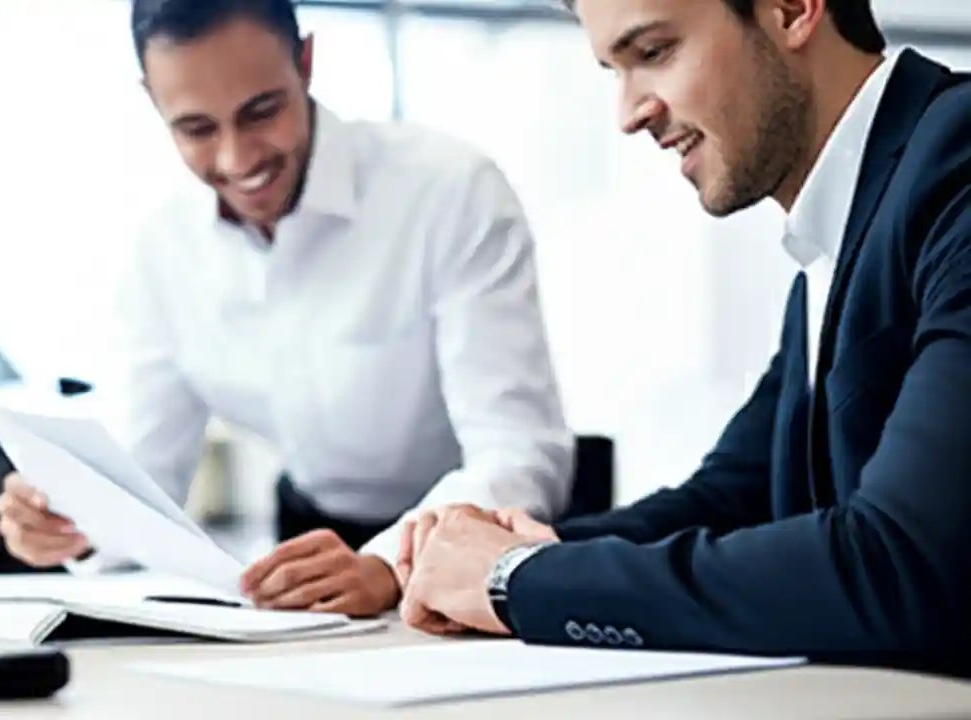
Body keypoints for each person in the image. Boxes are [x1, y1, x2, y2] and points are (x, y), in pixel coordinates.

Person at [397, 0, 971, 673]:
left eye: (654, 54)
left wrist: (518, 580)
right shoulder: (841, 233)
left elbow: (903, 561)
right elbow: (734, 499)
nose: (629, 113)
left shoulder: (953, 169)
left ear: (791, 11)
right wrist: (488, 558)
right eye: (615, 69)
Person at [0, 0, 574, 618]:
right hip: (308, 550)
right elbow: (147, 477)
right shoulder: (164, 251)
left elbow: (519, 453)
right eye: (196, 129)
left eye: (261, 111)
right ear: (152, 101)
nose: (237, 159)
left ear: (306, 62)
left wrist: (387, 564)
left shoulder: (450, 192)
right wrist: (73, 519)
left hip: (469, 550)